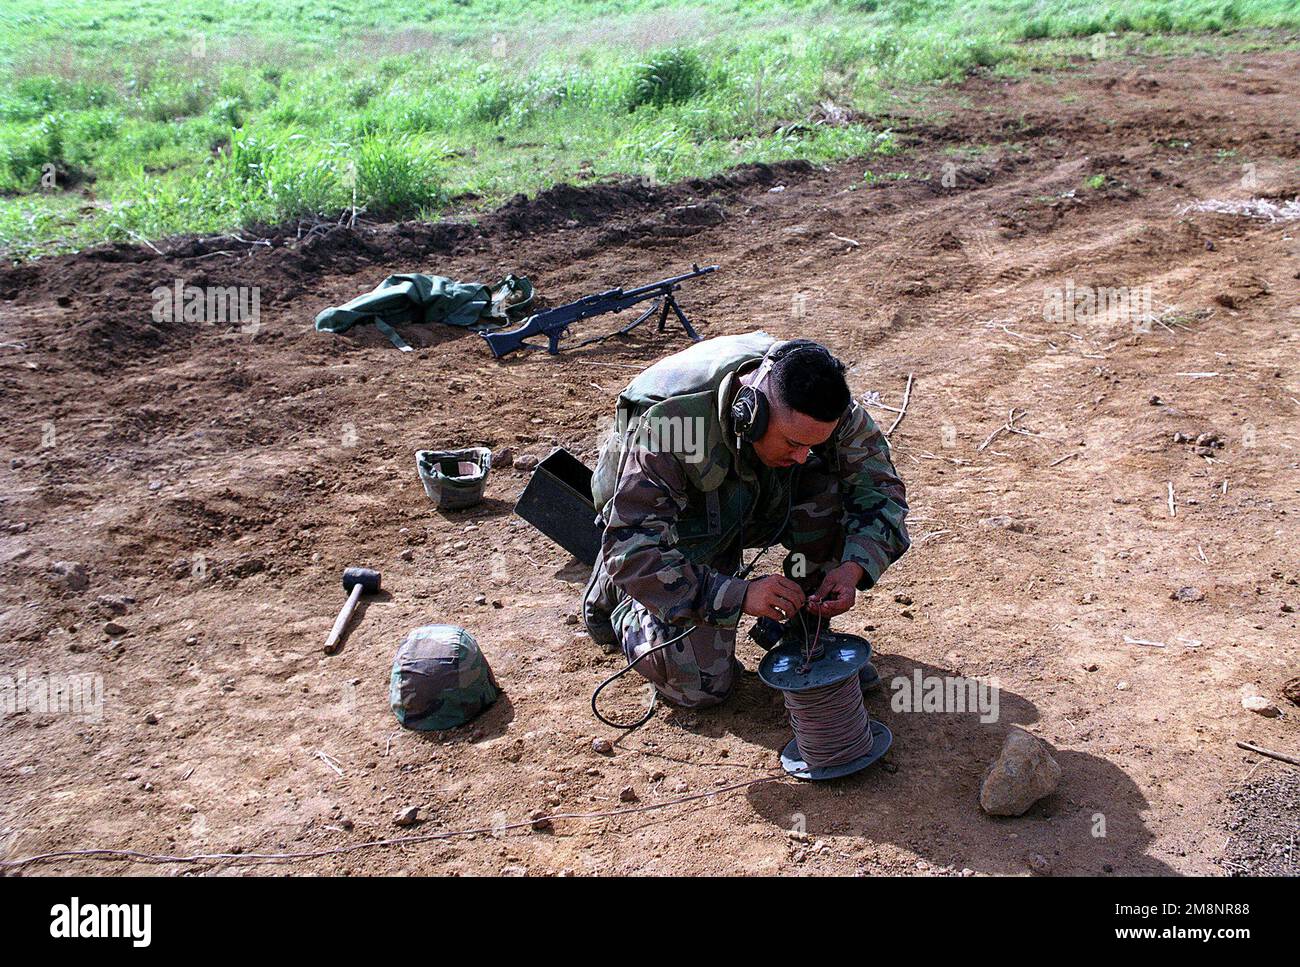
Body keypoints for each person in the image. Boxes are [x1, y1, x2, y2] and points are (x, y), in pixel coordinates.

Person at [583, 331, 910, 709]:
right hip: (672, 526)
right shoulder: (673, 425)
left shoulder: (826, 411)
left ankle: (803, 622)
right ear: (752, 415)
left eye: (813, 445)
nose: (804, 455)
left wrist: (855, 566)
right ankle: (621, 598)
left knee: (831, 486)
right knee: (699, 684)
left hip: (755, 498)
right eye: (792, 443)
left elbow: (881, 494)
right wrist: (739, 596)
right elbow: (633, 549)